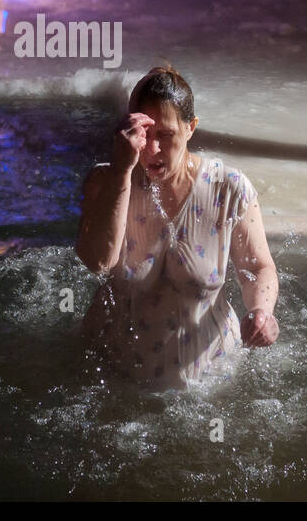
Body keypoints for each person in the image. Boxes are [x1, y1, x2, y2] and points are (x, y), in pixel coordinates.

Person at [74, 66, 279, 390]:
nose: (151, 149)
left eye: (165, 135)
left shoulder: (228, 188)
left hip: (207, 381)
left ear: (190, 128)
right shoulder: (106, 182)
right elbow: (98, 262)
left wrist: (261, 312)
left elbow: (258, 266)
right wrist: (123, 173)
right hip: (111, 377)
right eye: (143, 135)